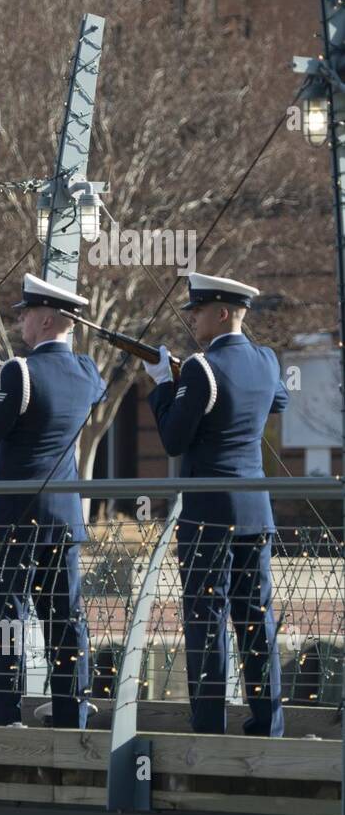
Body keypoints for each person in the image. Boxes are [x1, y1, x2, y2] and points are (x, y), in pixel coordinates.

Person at [143, 272, 287, 737]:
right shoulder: (265, 360)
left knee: (206, 619)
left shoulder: (204, 369)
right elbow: (276, 401)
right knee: (255, 620)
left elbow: (172, 439)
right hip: (254, 511)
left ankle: (208, 725)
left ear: (221, 313)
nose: (193, 319)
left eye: (199, 311)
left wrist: (167, 383)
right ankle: (269, 723)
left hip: (209, 514)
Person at [0, 273, 104, 728]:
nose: (19, 321)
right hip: (62, 516)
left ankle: (3, 714)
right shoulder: (88, 372)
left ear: (43, 320)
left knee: (5, 614)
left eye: (25, 314)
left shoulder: (21, 371)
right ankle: (71, 711)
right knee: (65, 615)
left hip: (15, 515)